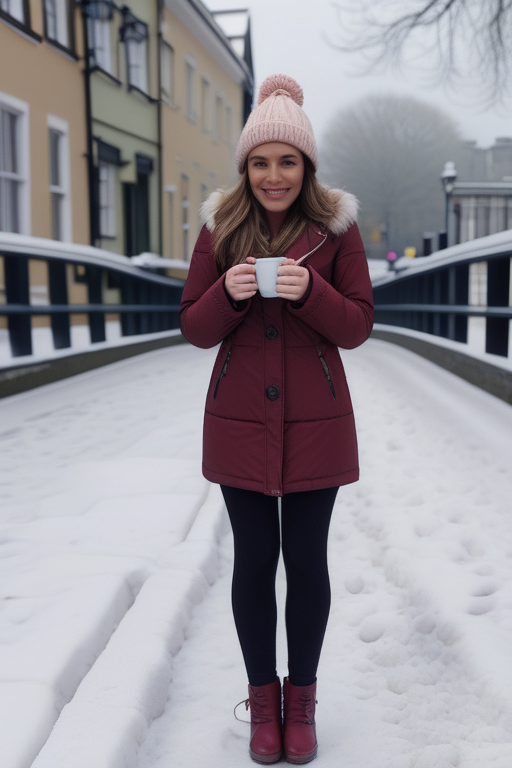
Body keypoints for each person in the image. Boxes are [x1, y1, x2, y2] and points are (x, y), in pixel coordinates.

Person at [180, 74, 374, 764]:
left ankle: (304, 705)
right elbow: (194, 328)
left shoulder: (335, 231)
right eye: (259, 162)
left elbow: (357, 327)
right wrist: (228, 295)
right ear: (245, 168)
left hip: (317, 422)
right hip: (238, 421)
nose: (272, 175)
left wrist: (312, 292)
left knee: (308, 561)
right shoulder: (220, 227)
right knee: (255, 561)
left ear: (307, 165)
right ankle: (265, 707)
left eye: (286, 161)